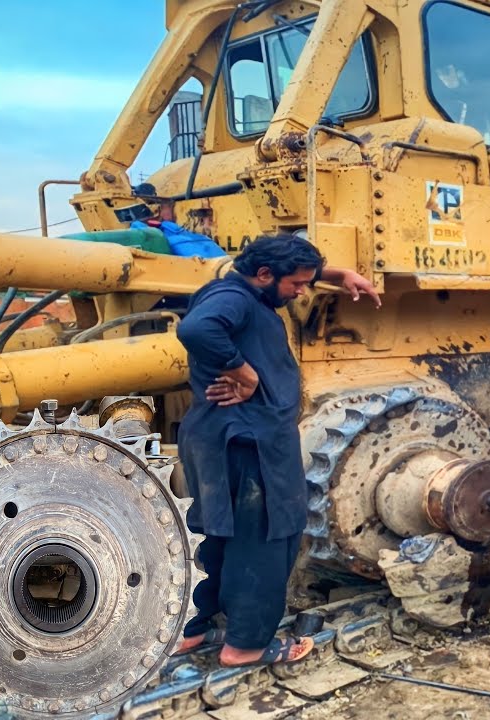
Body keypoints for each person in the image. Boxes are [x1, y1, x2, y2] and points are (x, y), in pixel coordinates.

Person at [174, 235, 380, 667]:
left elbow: (283, 274)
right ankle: (245, 645)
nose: (303, 292)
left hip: (213, 437)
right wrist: (242, 370)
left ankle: (192, 629)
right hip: (251, 445)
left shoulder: (233, 287)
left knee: (213, 535)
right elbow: (195, 329)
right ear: (264, 275)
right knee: (268, 538)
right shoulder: (239, 301)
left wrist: (339, 275)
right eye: (298, 284)